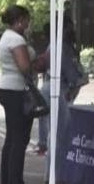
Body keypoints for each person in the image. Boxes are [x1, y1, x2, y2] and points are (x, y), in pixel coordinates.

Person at [0, 4, 48, 184]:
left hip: (7, 89)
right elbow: (25, 67)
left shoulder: (7, 37)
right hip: (16, 92)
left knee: (11, 139)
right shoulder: (16, 40)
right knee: (19, 140)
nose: (28, 23)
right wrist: (41, 63)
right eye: (27, 19)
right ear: (19, 20)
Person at [35, 17, 87, 158]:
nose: (73, 30)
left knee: (50, 130)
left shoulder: (52, 45)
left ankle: (49, 159)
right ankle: (55, 169)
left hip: (48, 87)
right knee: (59, 134)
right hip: (59, 89)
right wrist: (78, 82)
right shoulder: (63, 47)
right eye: (70, 27)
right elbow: (72, 74)